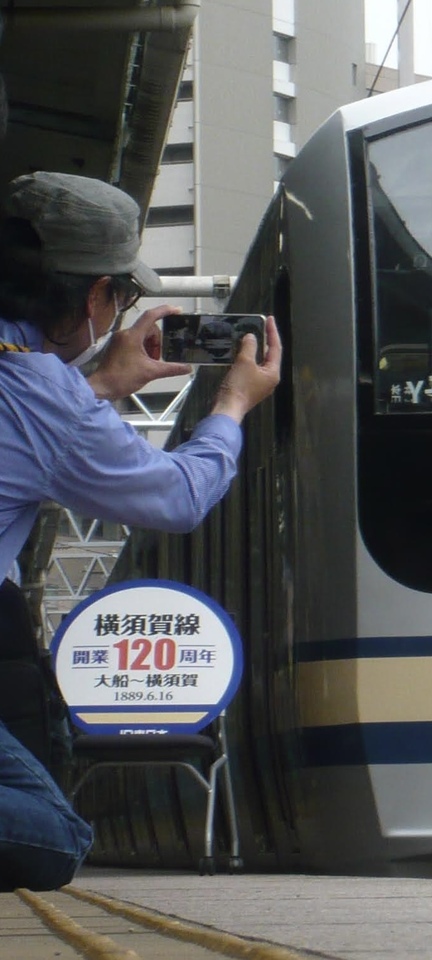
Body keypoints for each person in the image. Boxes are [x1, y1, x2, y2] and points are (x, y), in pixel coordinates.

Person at [0, 170, 282, 890]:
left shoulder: (41, 388)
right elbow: (180, 495)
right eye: (120, 295)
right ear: (95, 294)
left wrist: (97, 388)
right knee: (55, 836)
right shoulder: (45, 393)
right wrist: (232, 404)